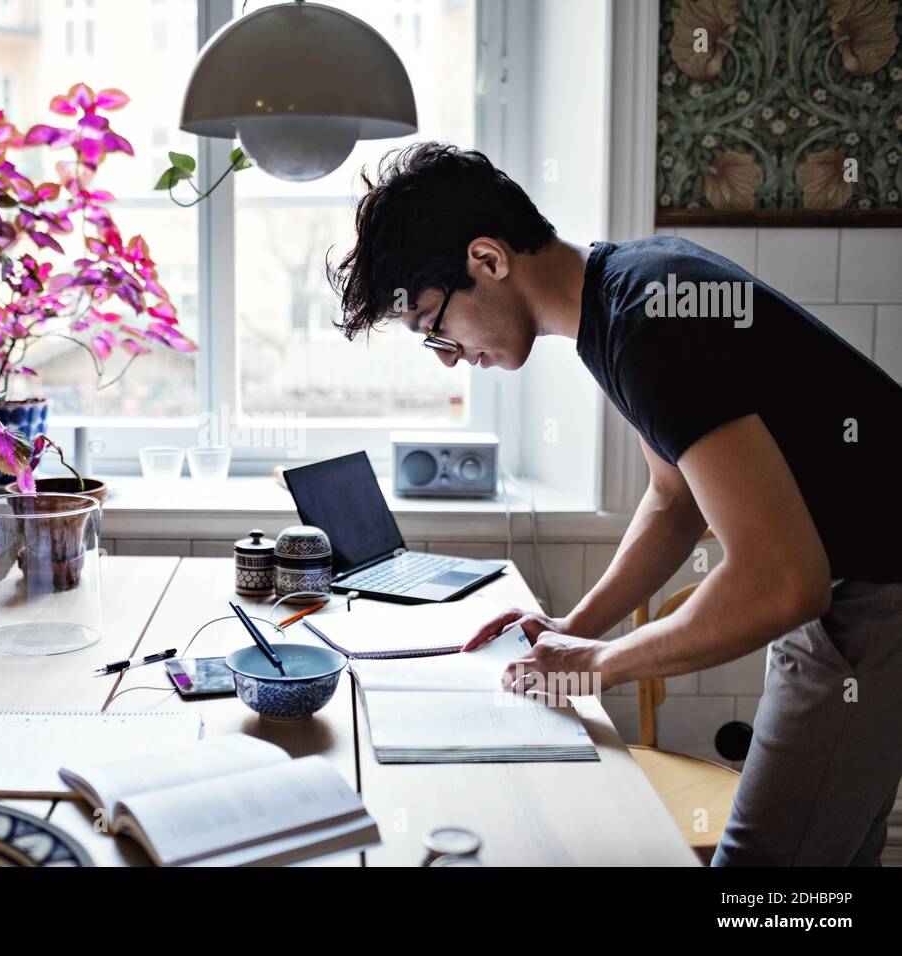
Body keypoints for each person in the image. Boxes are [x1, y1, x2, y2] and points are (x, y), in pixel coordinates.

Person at [328, 143, 902, 866]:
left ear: (488, 259)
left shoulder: (646, 326)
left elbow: (782, 581)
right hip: (858, 580)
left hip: (874, 592)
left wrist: (600, 663)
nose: (447, 355)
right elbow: (673, 500)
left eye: (434, 326)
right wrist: (576, 627)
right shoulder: (626, 291)